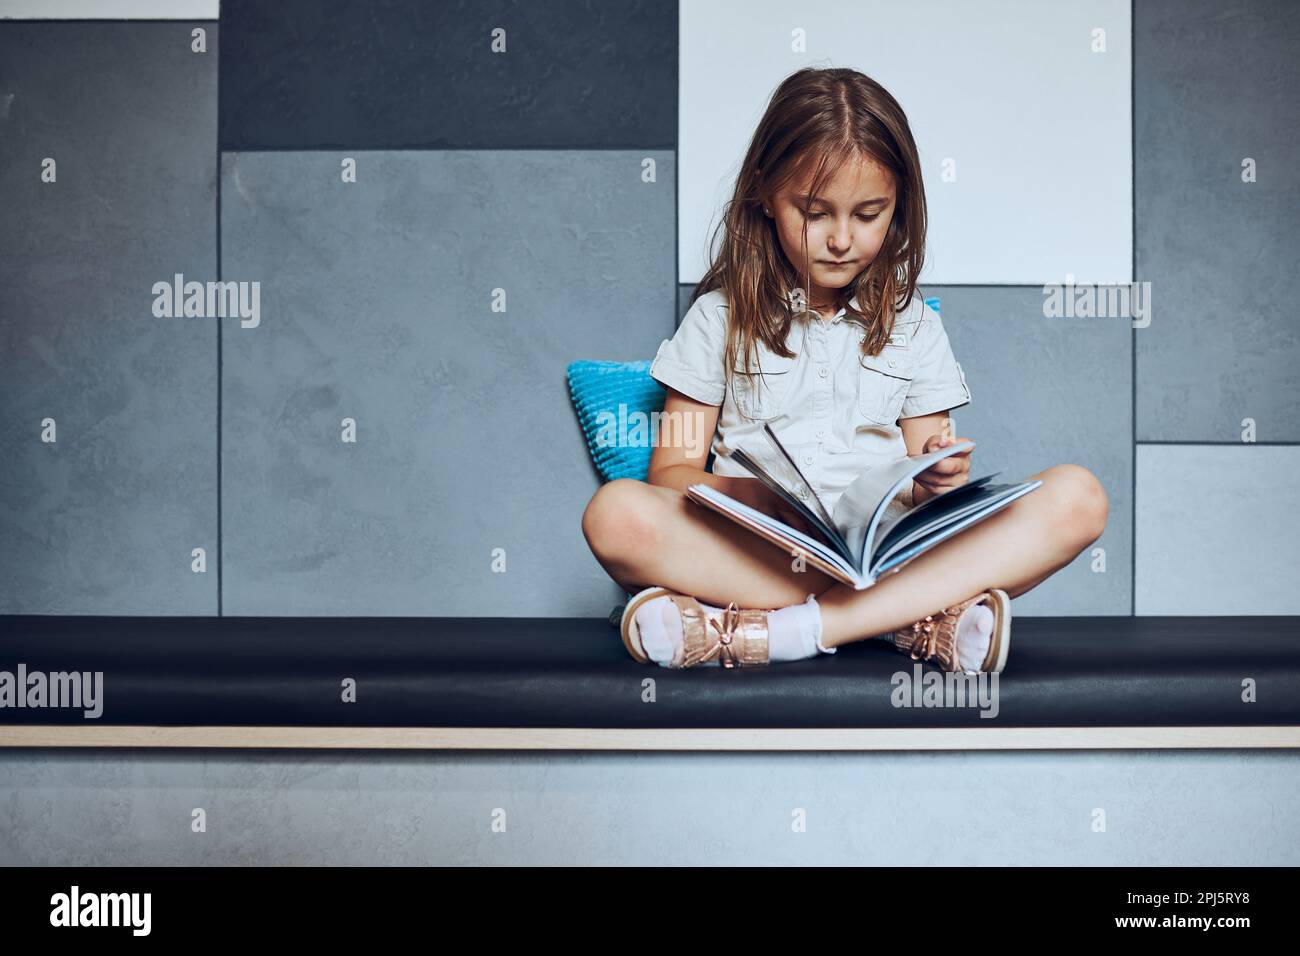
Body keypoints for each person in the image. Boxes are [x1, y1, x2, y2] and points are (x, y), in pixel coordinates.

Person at [581, 67, 1108, 672]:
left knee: (1078, 497)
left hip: (889, 558)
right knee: (615, 514)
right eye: (813, 212)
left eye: (867, 214)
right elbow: (670, 473)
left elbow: (925, 477)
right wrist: (742, 495)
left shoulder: (913, 326)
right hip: (759, 555)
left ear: (898, 208)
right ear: (764, 195)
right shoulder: (716, 319)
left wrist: (935, 479)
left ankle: (775, 630)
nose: (840, 239)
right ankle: (904, 621)